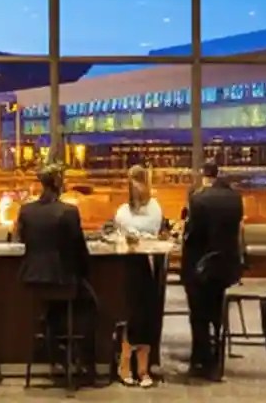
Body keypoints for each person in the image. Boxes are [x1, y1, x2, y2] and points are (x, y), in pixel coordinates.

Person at [16, 164, 96, 373]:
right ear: (59, 184)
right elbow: (79, 249)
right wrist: (86, 273)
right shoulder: (69, 212)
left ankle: (54, 348)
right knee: (91, 305)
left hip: (32, 279)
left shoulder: (26, 211)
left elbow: (21, 240)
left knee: (52, 308)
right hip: (62, 279)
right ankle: (83, 361)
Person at [181, 161, 244, 380]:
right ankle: (216, 355)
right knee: (217, 310)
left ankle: (201, 359)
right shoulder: (235, 199)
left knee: (198, 314)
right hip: (227, 266)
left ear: (203, 175)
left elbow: (192, 236)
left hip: (200, 267)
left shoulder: (198, 199)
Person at [113, 165, 163, 388]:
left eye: (139, 180)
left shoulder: (154, 208)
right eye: (131, 181)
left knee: (146, 315)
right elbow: (122, 227)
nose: (135, 185)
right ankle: (125, 363)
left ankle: (144, 368)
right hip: (126, 265)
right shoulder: (123, 210)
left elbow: (148, 229)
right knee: (128, 315)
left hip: (148, 264)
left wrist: (135, 233)